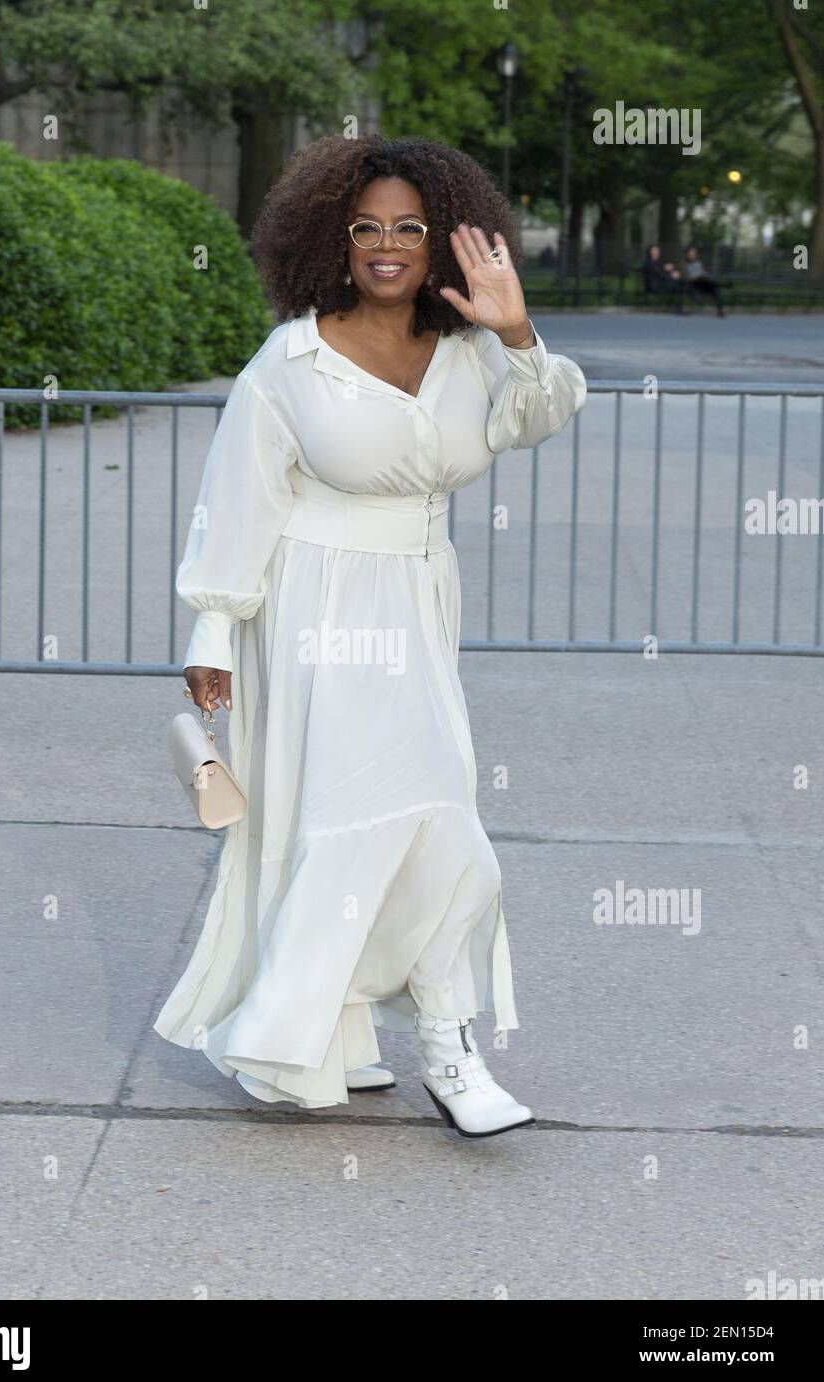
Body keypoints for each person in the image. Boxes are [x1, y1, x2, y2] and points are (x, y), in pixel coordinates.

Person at [153, 134, 586, 1138]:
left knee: (422, 809)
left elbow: (545, 413)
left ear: (442, 242)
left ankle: (339, 1035)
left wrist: (519, 332)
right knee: (383, 817)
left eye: (408, 227)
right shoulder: (290, 361)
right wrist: (213, 630)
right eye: (366, 228)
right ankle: (443, 1046)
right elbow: (237, 501)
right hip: (314, 612)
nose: (387, 245)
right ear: (334, 241)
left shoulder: (473, 348)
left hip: (421, 603)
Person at [683, 246, 727, 316]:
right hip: (694, 284)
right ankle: (722, 284)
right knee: (707, 281)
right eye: (691, 252)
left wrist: (705, 274)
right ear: (687, 253)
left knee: (715, 289)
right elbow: (687, 278)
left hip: (703, 283)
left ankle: (720, 310)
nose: (693, 254)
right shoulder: (684, 264)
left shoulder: (698, 263)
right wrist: (697, 276)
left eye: (694, 252)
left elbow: (702, 272)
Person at [641, 244, 686, 312]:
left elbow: (662, 273)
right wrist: (671, 275)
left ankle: (677, 305)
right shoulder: (648, 263)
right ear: (650, 252)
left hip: (661, 284)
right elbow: (659, 274)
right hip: (654, 286)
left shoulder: (659, 262)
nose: (656, 252)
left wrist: (669, 271)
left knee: (681, 282)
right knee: (680, 283)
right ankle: (678, 305)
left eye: (657, 250)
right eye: (654, 250)